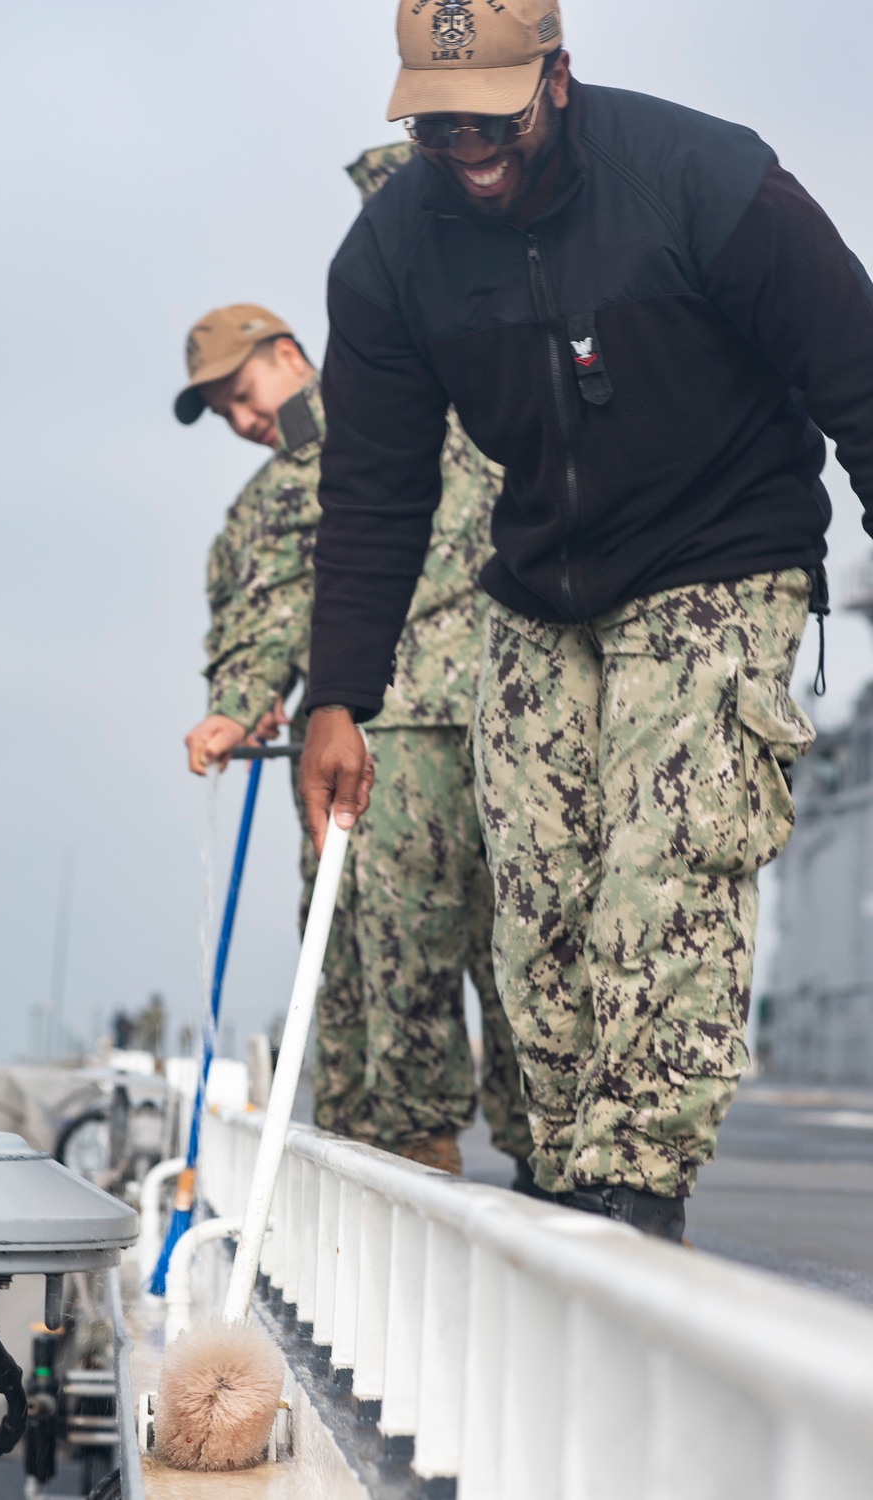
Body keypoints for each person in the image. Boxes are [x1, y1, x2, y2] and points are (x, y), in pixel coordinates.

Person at [299, 0, 873, 1241]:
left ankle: (633, 1190)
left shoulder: (703, 179)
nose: (470, 150)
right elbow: (373, 488)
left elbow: (857, 371)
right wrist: (337, 694)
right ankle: (565, 1182)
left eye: (493, 117)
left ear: (558, 76)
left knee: (664, 874)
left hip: (721, 555)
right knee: (542, 902)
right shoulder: (393, 251)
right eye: (439, 126)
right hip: (543, 587)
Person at [177, 284, 535, 1181]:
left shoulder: (416, 402)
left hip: (495, 725)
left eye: (246, 393)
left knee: (510, 948)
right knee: (388, 964)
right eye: (225, 414)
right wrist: (241, 697)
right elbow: (264, 612)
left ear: (290, 355)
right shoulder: (277, 495)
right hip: (389, 738)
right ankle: (422, 1168)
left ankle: (541, 1165)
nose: (246, 419)